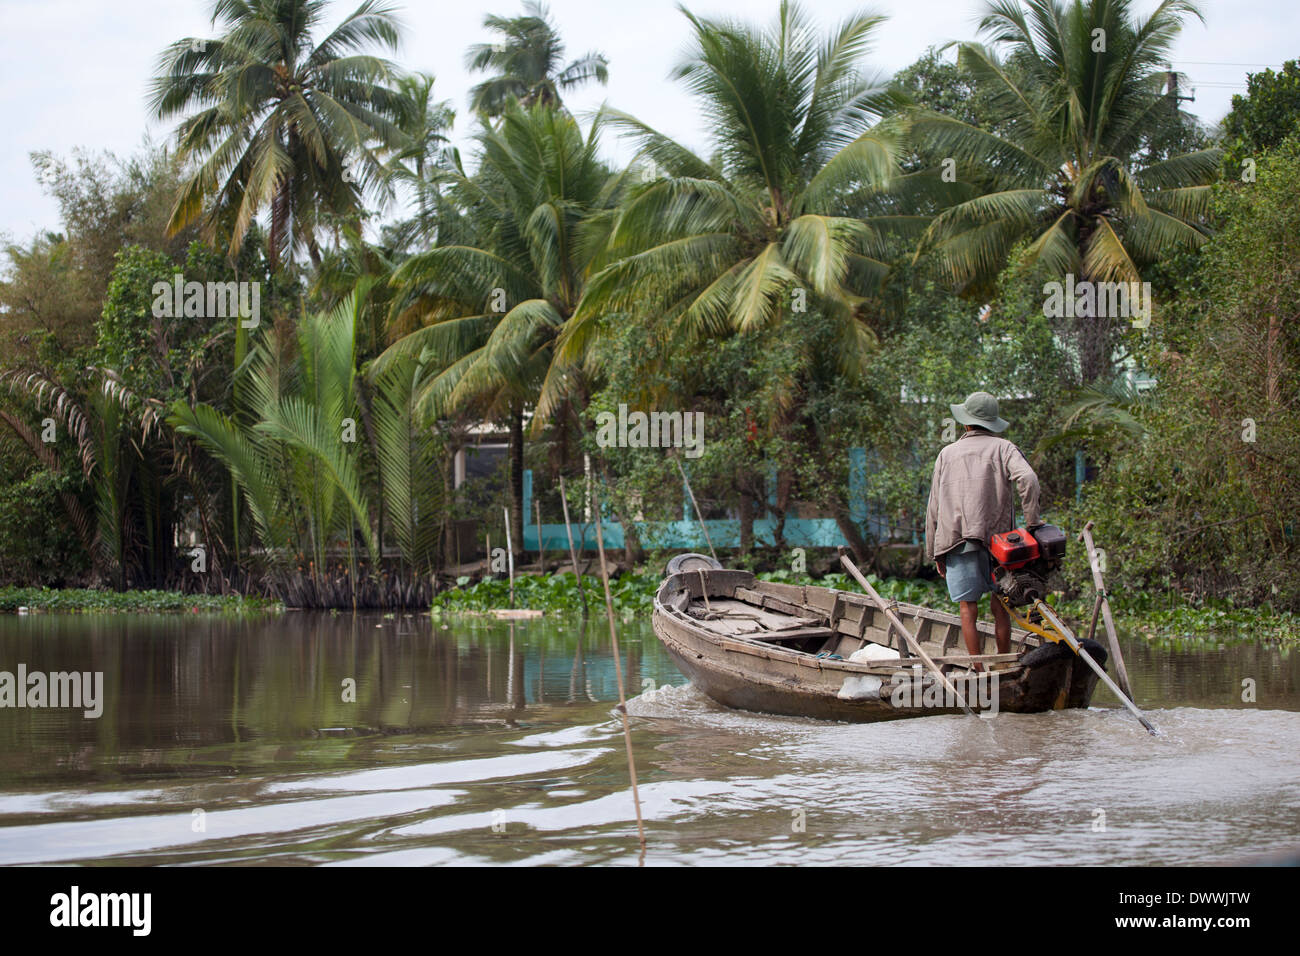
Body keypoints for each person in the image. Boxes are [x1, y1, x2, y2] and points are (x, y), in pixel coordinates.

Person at [924, 391, 1041, 662]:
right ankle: (1002, 662)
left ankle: (977, 669)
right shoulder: (1004, 448)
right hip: (1000, 544)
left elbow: (934, 507)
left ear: (966, 423)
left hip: (956, 541)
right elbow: (1029, 479)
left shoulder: (947, 453)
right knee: (1002, 602)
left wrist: (935, 553)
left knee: (968, 606)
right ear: (992, 423)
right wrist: (1033, 523)